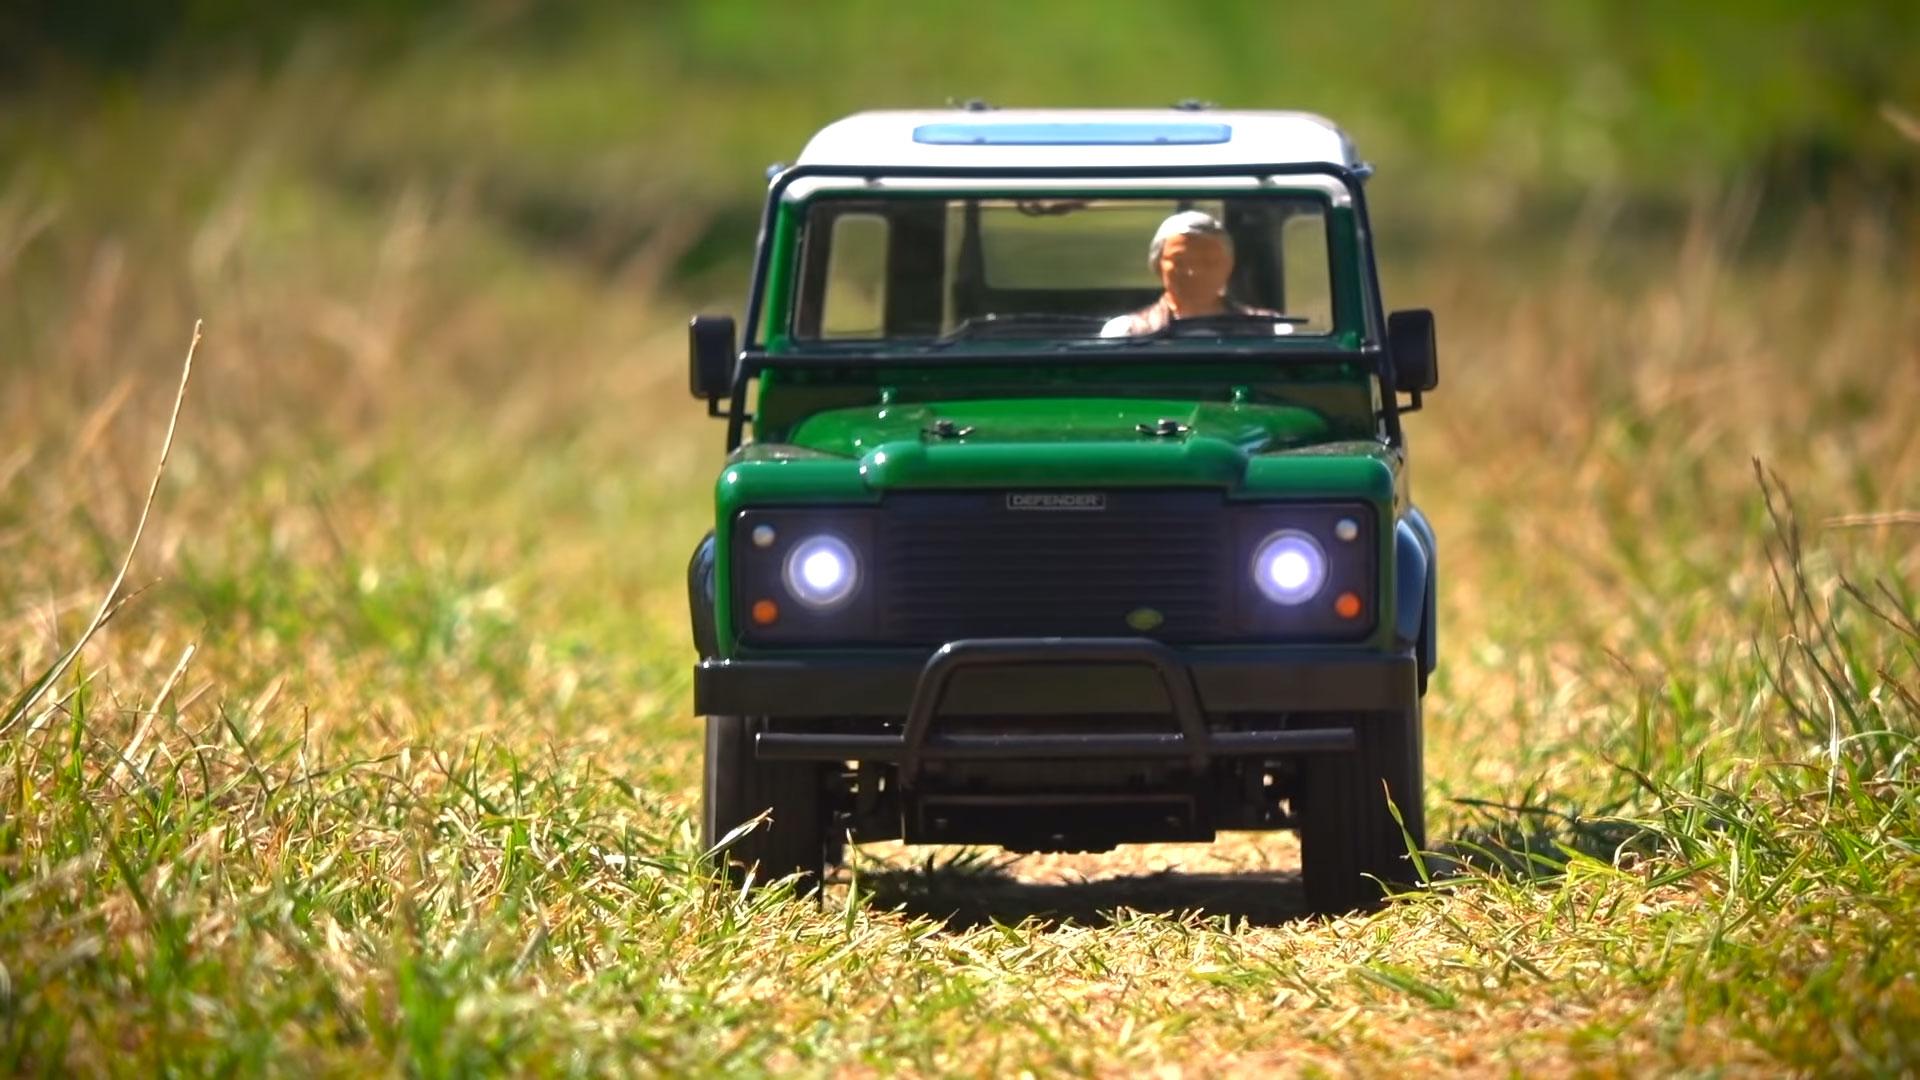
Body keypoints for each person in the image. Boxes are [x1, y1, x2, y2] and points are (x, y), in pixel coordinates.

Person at [1099, 210, 1287, 337]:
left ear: (1228, 266)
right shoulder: (1126, 332)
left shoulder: (1273, 329)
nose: (1193, 272)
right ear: (1158, 265)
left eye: (1209, 262)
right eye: (1180, 261)